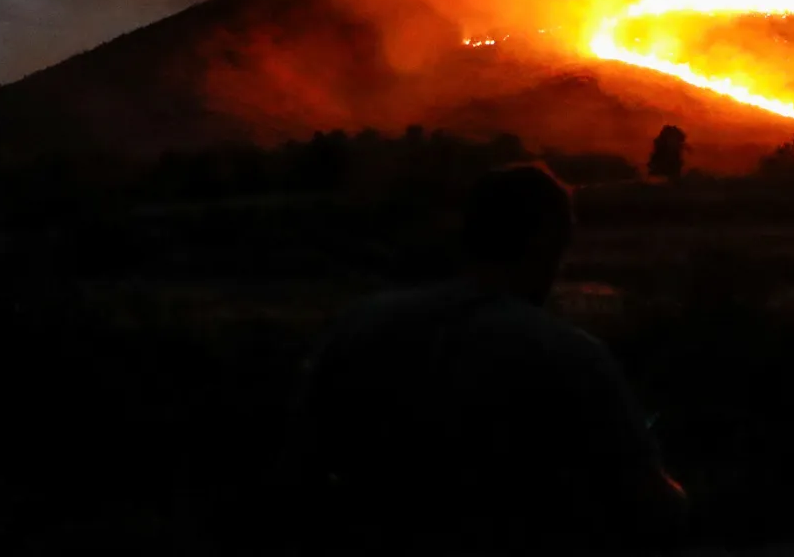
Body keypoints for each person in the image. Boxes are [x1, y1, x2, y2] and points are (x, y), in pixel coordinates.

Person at [283, 163, 687, 555]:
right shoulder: (565, 354)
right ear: (548, 243)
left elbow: (300, 468)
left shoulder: (360, 325)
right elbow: (653, 508)